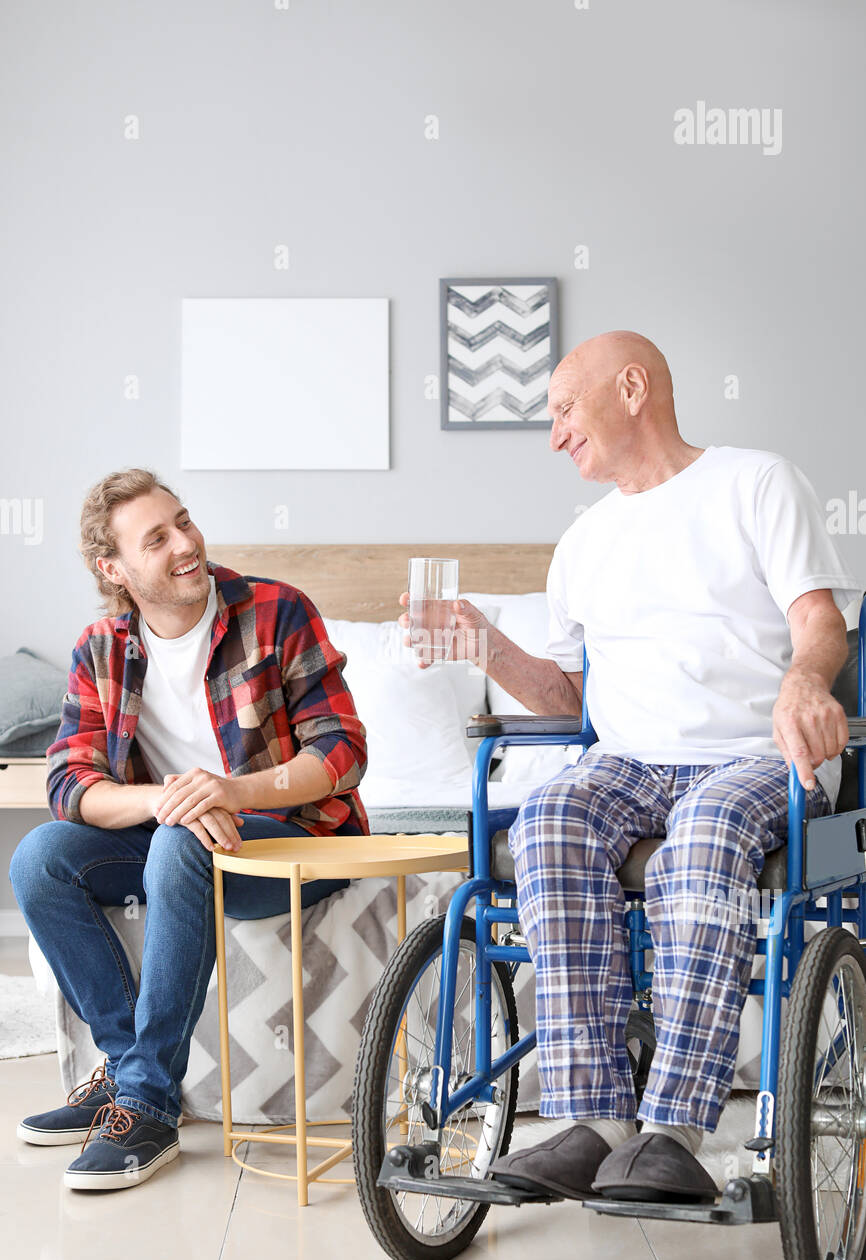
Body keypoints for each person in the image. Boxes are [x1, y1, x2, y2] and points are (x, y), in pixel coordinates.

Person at [400, 330, 860, 1202]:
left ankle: (673, 1133)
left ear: (634, 387)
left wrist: (805, 682)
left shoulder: (755, 483)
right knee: (547, 818)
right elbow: (570, 699)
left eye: (565, 409)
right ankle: (596, 1121)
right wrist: (485, 642)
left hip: (755, 756)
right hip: (631, 763)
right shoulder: (585, 541)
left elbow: (820, 624)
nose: (555, 435)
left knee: (706, 831)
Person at [10, 470, 368, 1191]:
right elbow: (69, 786)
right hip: (178, 834)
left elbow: (341, 751)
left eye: (184, 521)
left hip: (297, 837)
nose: (186, 543)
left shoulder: (275, 610)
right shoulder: (101, 649)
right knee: (40, 858)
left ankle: (148, 1106)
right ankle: (124, 1074)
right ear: (113, 569)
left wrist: (231, 792)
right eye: (158, 537)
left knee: (182, 841)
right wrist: (167, 800)